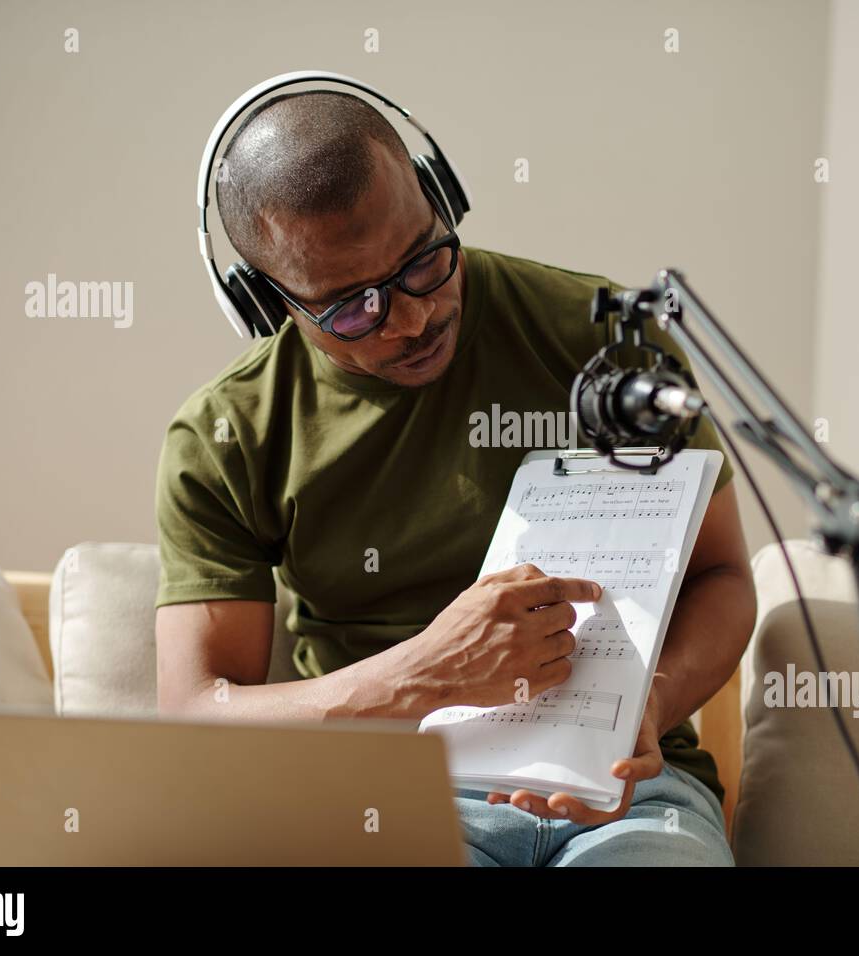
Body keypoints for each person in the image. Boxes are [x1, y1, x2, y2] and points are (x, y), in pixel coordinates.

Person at [154, 89, 758, 866]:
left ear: (442, 199)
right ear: (267, 303)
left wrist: (651, 705)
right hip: (384, 800)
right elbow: (197, 715)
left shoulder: (600, 343)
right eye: (350, 308)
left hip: (631, 794)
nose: (410, 320)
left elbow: (722, 575)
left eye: (422, 263)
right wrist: (422, 674)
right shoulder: (228, 434)